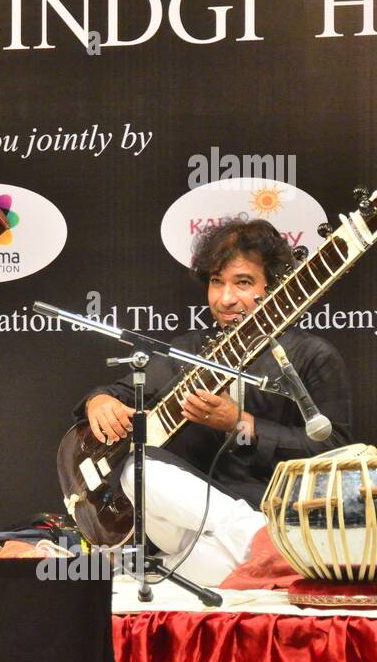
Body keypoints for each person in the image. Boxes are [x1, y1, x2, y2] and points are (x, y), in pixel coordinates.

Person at [76, 219, 353, 586]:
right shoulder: (190, 351)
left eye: (242, 282)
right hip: (193, 520)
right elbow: (122, 392)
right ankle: (262, 549)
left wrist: (242, 425)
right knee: (137, 470)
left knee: (153, 580)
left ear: (274, 286)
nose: (225, 298)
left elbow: (338, 450)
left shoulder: (312, 356)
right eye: (216, 282)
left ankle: (261, 546)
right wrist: (100, 402)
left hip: (270, 510)